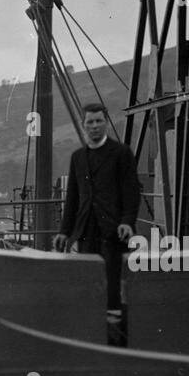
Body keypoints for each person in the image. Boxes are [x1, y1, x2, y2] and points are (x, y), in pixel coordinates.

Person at [54, 104, 141, 346]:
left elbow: (131, 192)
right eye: (89, 122)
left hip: (113, 232)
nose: (94, 126)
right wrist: (64, 231)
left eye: (98, 121)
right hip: (86, 232)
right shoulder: (77, 158)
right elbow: (72, 198)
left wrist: (127, 222)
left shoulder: (121, 153)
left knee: (113, 285)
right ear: (83, 126)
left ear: (106, 122)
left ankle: (114, 341)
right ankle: (92, 335)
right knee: (90, 282)